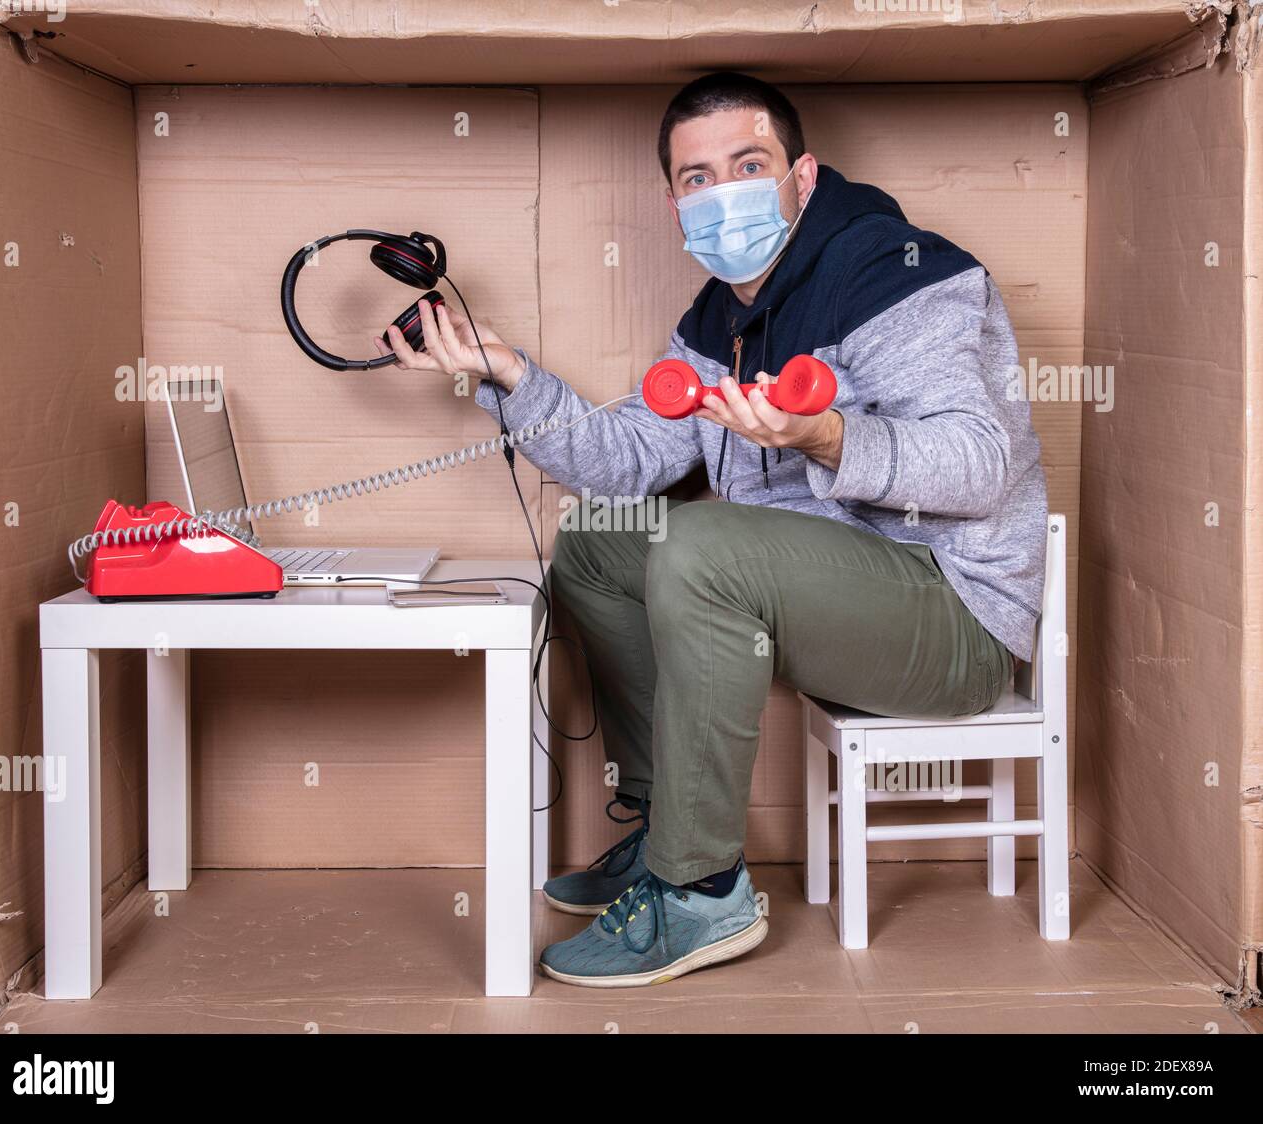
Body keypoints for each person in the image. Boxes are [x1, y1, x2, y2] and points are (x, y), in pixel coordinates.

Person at [377, 71, 1047, 988]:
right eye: (698, 178)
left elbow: (978, 464)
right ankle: (664, 829)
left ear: (802, 178)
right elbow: (627, 459)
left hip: (949, 617)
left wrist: (830, 436)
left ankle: (699, 891)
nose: (723, 192)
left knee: (698, 545)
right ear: (673, 200)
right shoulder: (719, 319)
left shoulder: (896, 271)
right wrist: (506, 373)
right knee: (599, 542)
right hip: (823, 591)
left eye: (748, 164)